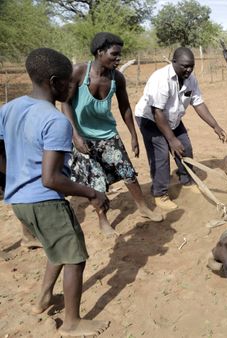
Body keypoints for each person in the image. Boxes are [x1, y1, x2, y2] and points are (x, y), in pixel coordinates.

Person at [0, 48, 110, 336]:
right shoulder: (56, 121)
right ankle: (72, 323)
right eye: (68, 83)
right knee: (75, 256)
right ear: (53, 82)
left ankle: (44, 299)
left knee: (56, 246)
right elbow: (51, 179)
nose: (71, 88)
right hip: (44, 200)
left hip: (19, 202)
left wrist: (13, 174)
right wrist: (91, 193)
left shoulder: (10, 108)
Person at [62, 32, 162, 236]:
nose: (119, 59)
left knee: (128, 172)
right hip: (83, 136)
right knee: (97, 180)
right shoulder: (79, 72)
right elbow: (65, 103)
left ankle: (142, 207)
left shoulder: (117, 77)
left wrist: (133, 135)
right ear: (100, 52)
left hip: (108, 134)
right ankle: (103, 219)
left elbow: (124, 106)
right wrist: (75, 135)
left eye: (120, 55)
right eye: (114, 54)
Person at [134, 47, 227, 210]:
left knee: (185, 148)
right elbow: (157, 112)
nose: (189, 69)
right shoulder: (160, 78)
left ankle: (187, 180)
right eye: (185, 66)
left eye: (191, 65)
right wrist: (171, 140)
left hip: (172, 119)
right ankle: (160, 194)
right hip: (150, 119)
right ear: (174, 62)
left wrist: (215, 126)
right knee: (161, 154)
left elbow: (198, 103)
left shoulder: (190, 79)